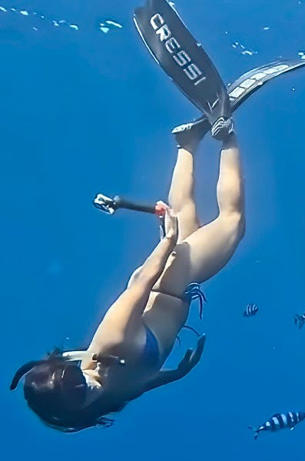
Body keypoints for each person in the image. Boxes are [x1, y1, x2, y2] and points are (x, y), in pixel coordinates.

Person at [10, 119, 242, 431]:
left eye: (75, 379)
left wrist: (169, 240)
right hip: (175, 284)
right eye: (78, 396)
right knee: (186, 213)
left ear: (68, 366)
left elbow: (138, 285)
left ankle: (227, 136)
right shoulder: (108, 396)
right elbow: (140, 383)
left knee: (233, 222)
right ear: (74, 414)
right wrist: (177, 373)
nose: (86, 386)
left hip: (174, 277)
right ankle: (186, 144)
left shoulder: (107, 346)